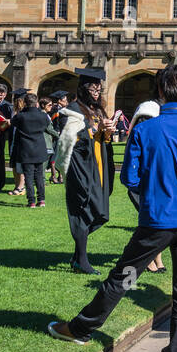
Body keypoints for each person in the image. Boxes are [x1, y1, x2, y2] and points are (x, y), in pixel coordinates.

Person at [48, 65, 177, 352]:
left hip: (156, 220)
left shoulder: (145, 131)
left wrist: (157, 188)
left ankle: (80, 329)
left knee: (123, 277)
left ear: (159, 93)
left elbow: (129, 177)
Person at [54, 68, 117, 274]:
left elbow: (100, 140)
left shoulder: (96, 110)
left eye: (99, 89)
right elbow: (70, 141)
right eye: (92, 88)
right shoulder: (72, 111)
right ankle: (81, 260)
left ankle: (76, 257)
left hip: (97, 167)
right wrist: (95, 131)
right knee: (82, 210)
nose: (96, 92)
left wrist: (107, 132)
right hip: (79, 168)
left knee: (98, 211)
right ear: (83, 88)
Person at [125, 100, 165, 273]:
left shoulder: (154, 134)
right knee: (150, 226)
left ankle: (157, 259)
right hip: (142, 187)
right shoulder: (139, 135)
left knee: (157, 225)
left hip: (155, 186)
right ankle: (149, 260)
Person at [11, 93, 51, 208]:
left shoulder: (21, 116)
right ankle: (41, 199)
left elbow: (13, 123)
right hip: (39, 148)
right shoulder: (42, 116)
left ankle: (31, 201)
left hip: (26, 149)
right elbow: (47, 124)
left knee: (28, 176)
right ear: (36, 102)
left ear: (25, 102)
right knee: (39, 175)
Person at [48, 91, 69, 184]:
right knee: (55, 155)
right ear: (60, 101)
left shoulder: (64, 108)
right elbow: (54, 122)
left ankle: (60, 176)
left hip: (64, 135)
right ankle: (53, 175)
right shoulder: (55, 109)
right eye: (65, 100)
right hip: (57, 135)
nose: (67, 101)